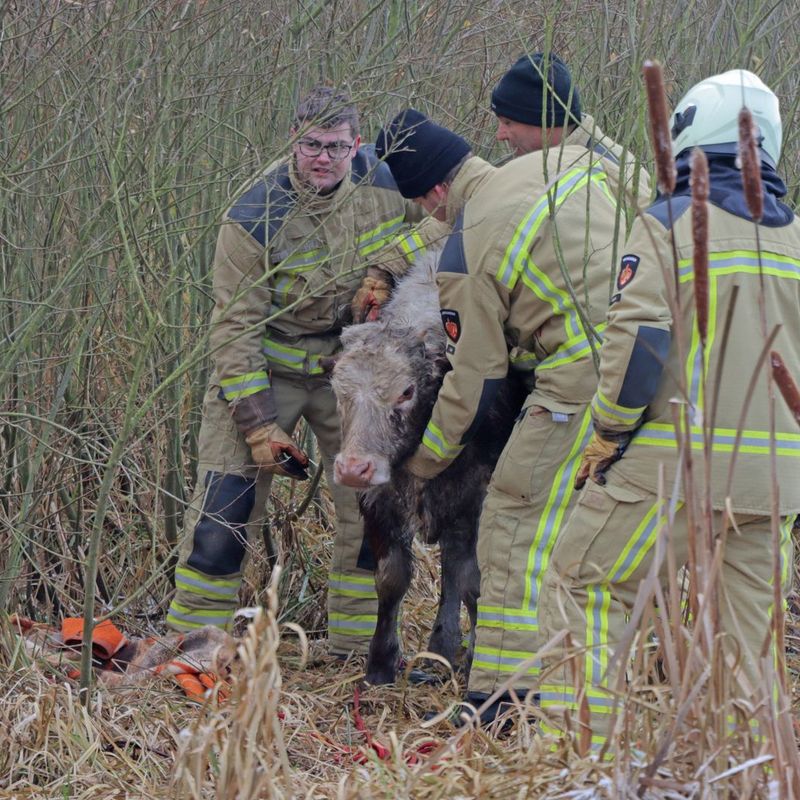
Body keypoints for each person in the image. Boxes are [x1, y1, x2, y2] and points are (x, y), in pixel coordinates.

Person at [539, 69, 799, 753]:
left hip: (677, 463)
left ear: (690, 136)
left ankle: (584, 763)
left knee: (582, 583)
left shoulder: (671, 222)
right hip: (775, 482)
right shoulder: (797, 238)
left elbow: (641, 339)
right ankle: (748, 774)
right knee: (750, 641)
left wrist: (608, 431)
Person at [376, 93, 648, 722]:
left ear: (433, 193)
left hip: (581, 380)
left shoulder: (466, 248)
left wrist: (425, 462)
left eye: (422, 205)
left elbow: (474, 377)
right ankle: (618, 675)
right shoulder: (574, 162)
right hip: (650, 364)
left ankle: (504, 698)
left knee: (512, 524)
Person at [167, 87, 434, 658]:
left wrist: (389, 264)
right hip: (268, 371)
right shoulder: (254, 213)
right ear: (293, 140)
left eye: (336, 147)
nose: (323, 159)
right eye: (312, 145)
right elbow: (234, 328)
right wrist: (259, 425)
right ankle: (192, 647)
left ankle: (358, 647)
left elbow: (452, 217)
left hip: (354, 373)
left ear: (356, 145)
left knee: (371, 502)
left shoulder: (386, 183)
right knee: (225, 504)